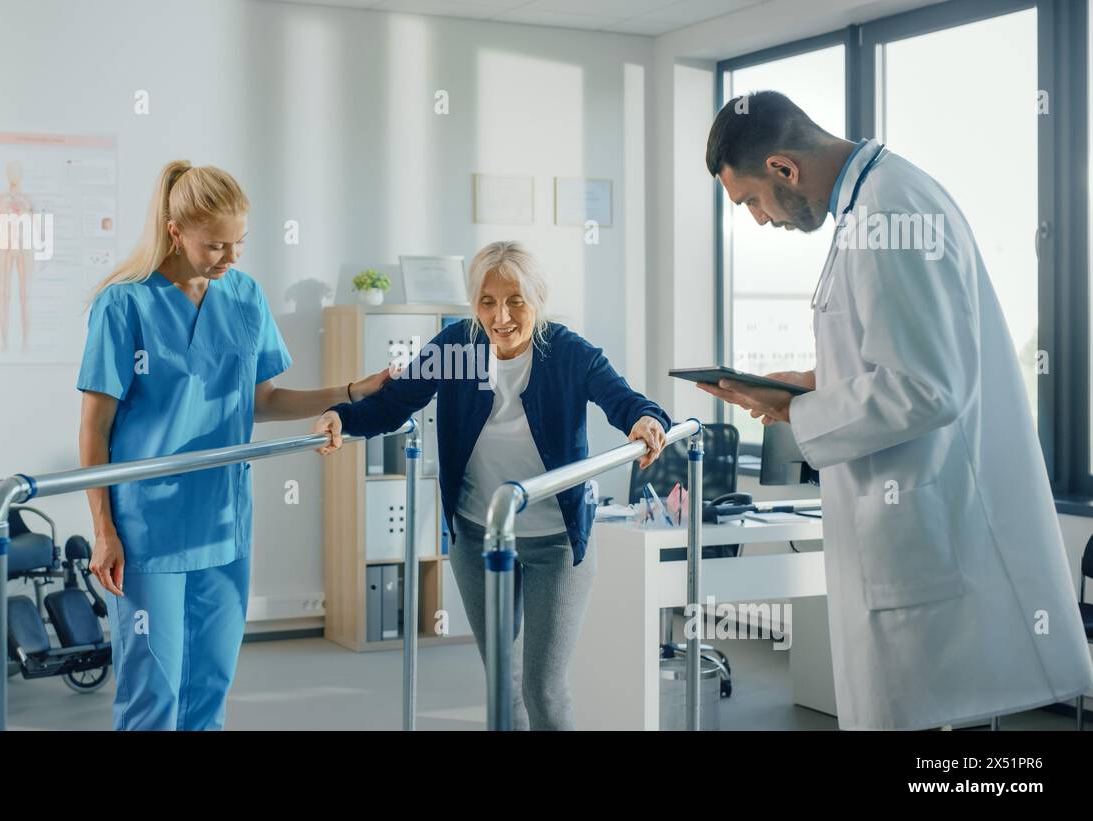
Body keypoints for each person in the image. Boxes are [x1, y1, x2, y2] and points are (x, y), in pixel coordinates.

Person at [700, 90, 1093, 730]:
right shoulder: (871, 207)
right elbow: (897, 360)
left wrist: (803, 414)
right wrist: (806, 385)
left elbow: (929, 386)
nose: (759, 220)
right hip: (908, 524)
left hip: (925, 534)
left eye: (749, 202)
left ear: (783, 169)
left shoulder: (891, 208)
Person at [77, 160, 389, 730]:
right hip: (149, 527)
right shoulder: (124, 304)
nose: (230, 257)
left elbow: (262, 400)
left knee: (210, 689)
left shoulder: (243, 296)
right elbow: (94, 430)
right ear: (175, 232)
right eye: (215, 245)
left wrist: (349, 392)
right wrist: (103, 529)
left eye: (239, 242)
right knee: (154, 694)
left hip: (224, 521)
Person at [313, 240, 671, 729]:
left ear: (537, 300)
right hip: (479, 536)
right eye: (487, 301)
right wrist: (341, 416)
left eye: (515, 300)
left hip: (556, 541)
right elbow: (394, 403)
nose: (500, 316)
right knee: (504, 683)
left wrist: (647, 419)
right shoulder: (457, 348)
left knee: (541, 689)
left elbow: (623, 400)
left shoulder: (567, 353)